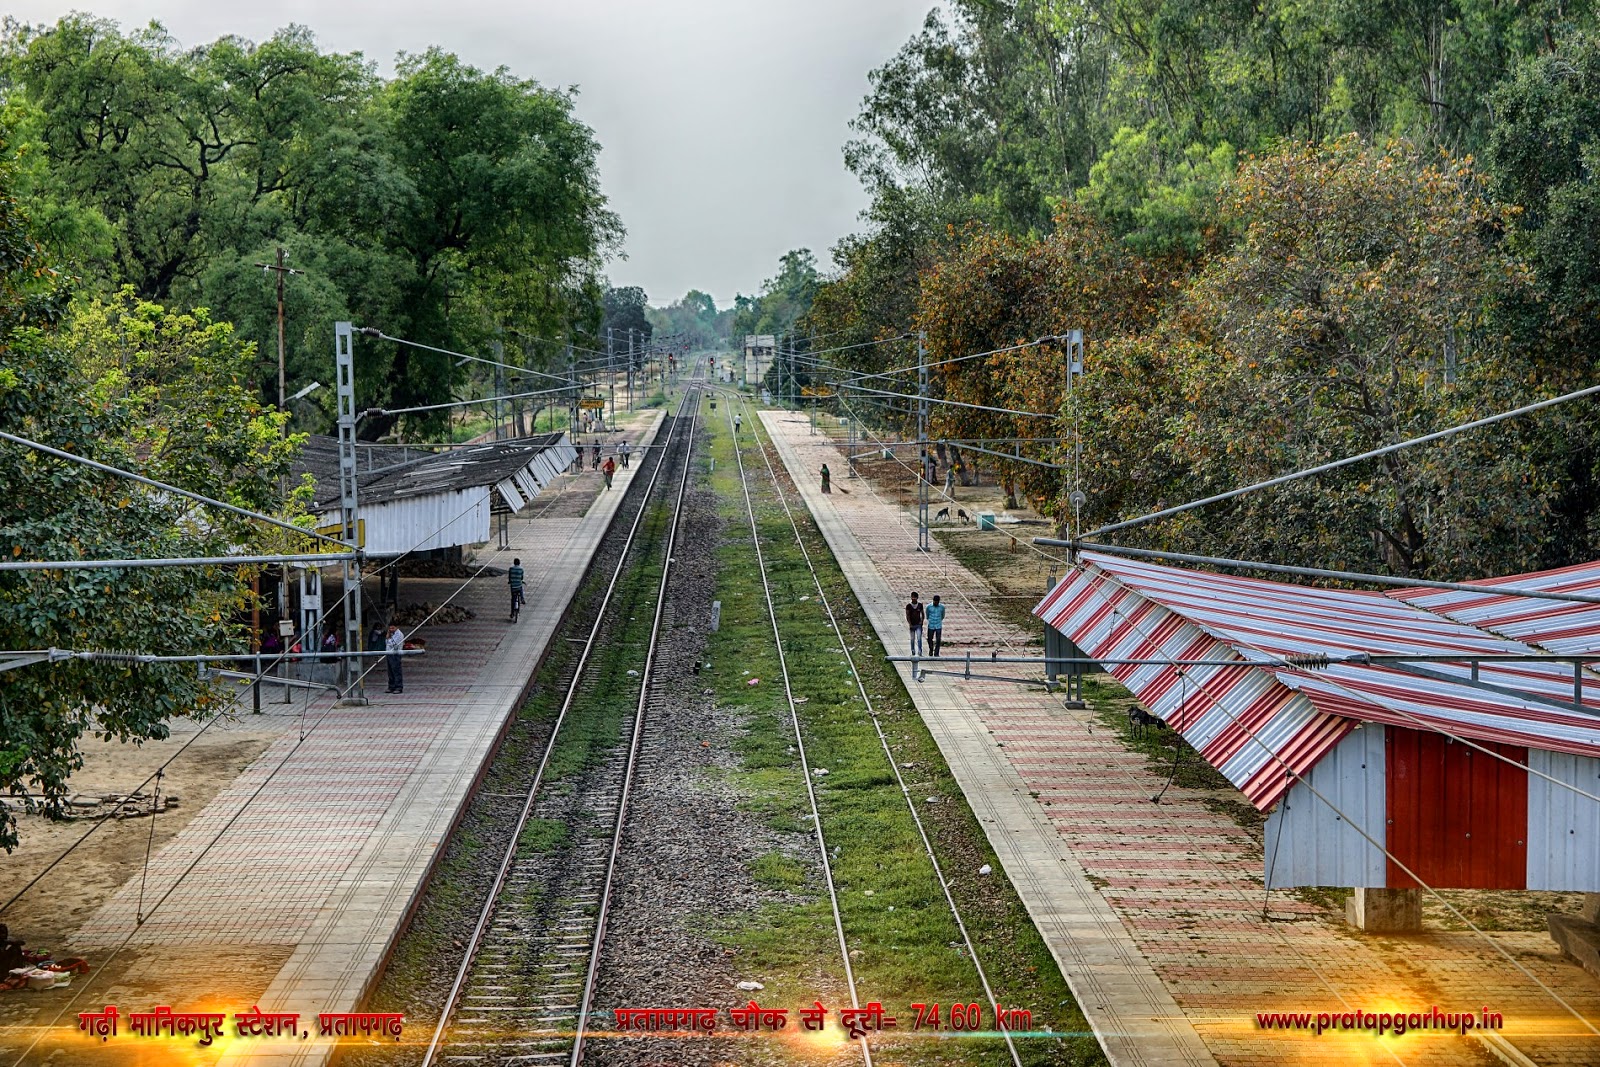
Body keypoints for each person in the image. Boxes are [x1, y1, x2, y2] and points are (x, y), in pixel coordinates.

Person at [385, 623, 405, 694]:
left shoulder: (399, 634)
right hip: (389, 653)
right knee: (390, 671)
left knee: (396, 670)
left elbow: (393, 644)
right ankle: (391, 686)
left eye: (393, 628)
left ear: (396, 627)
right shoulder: (391, 634)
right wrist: (388, 637)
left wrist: (388, 638)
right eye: (390, 628)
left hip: (395, 654)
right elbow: (387, 643)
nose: (391, 630)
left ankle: (398, 687)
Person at [906, 592, 925, 657]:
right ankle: (913, 651)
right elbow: (907, 615)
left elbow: (922, 613)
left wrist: (922, 621)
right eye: (912, 597)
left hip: (918, 624)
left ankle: (920, 651)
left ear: (917, 598)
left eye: (915, 597)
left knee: (919, 638)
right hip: (912, 625)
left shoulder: (920, 605)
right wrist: (910, 624)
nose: (913, 599)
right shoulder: (908, 606)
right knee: (912, 639)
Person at [508, 557, 526, 622]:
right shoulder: (521, 569)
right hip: (518, 585)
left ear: (514, 563)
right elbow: (521, 578)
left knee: (513, 599)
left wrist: (510, 581)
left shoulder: (511, 569)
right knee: (520, 587)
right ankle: (522, 598)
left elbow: (509, 577)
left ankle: (512, 613)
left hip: (513, 587)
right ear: (519, 563)